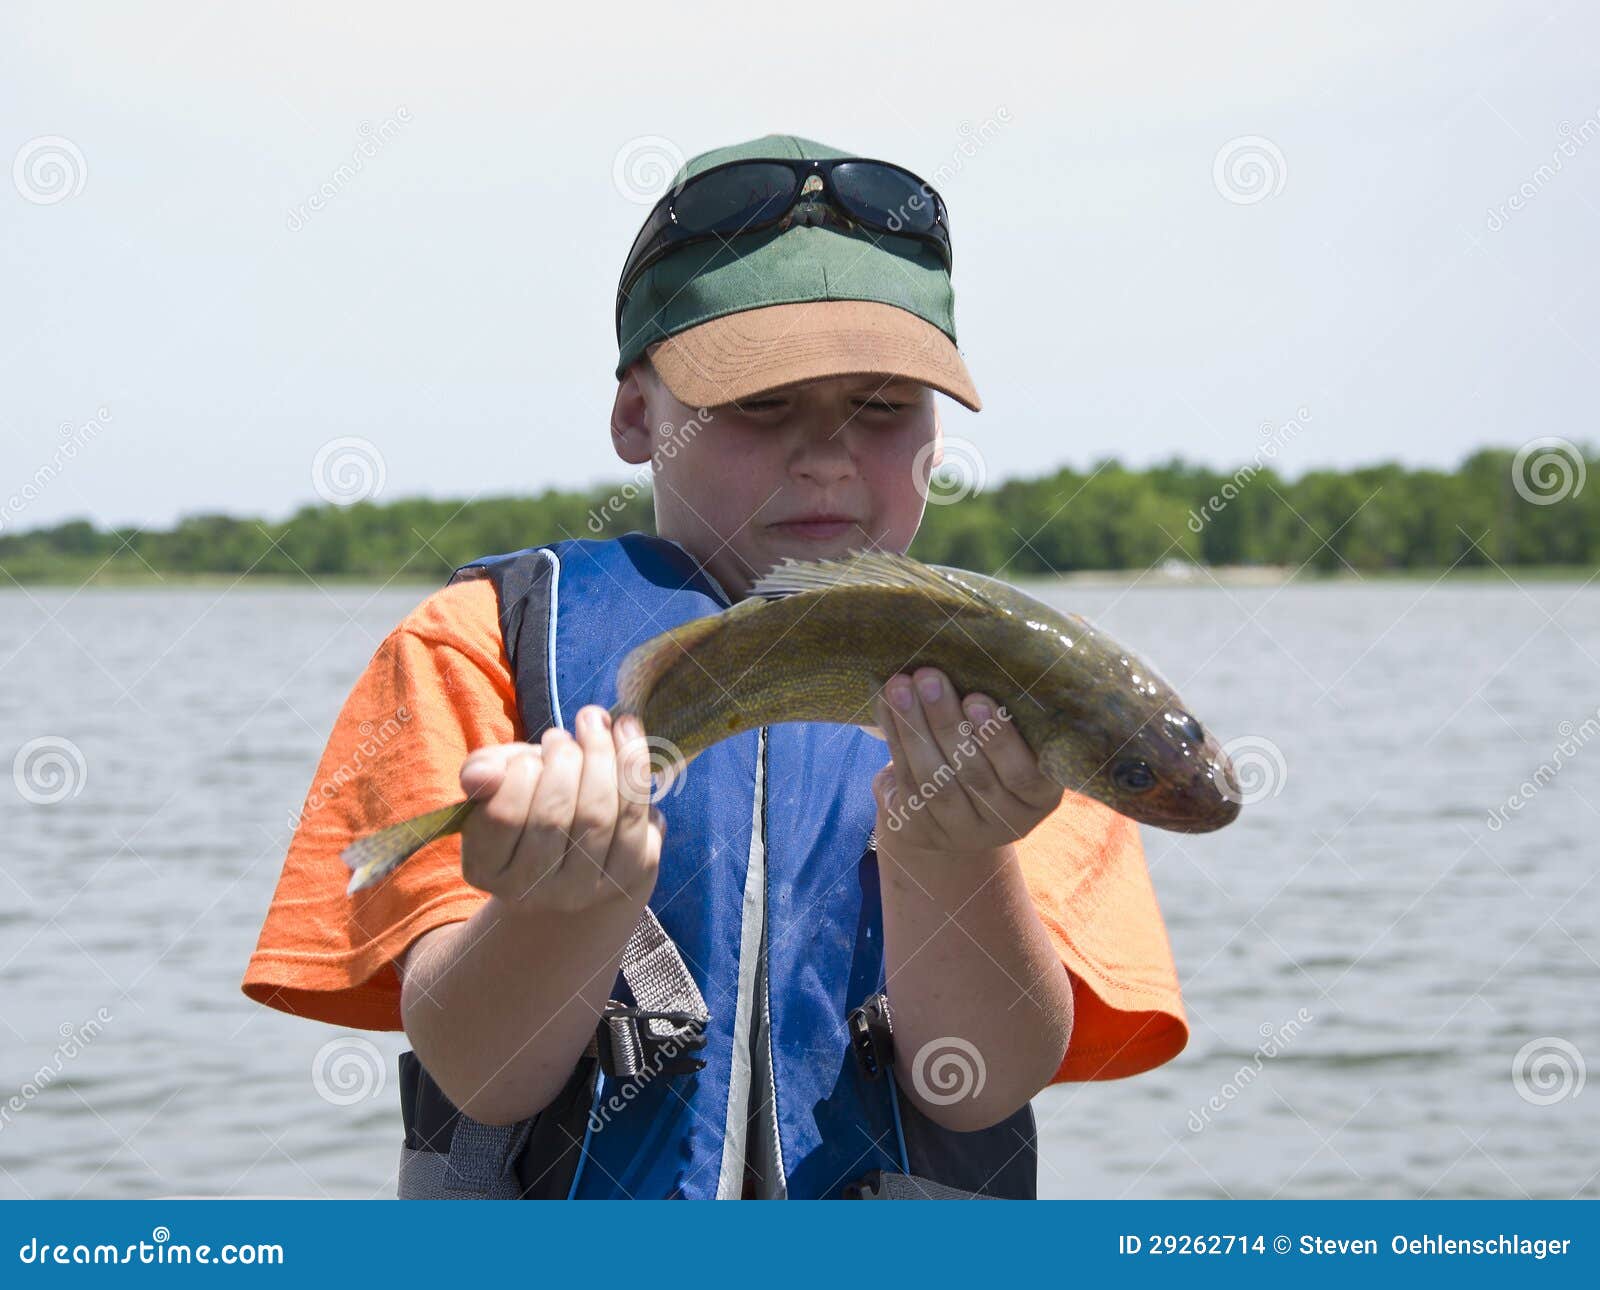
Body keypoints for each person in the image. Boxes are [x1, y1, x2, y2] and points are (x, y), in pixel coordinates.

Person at [241, 133, 1189, 1199]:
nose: (825, 456)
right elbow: (482, 1075)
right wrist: (564, 904)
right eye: (758, 403)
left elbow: (980, 1085)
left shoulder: (1022, 687)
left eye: (883, 407)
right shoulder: (473, 645)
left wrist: (954, 855)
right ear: (636, 415)